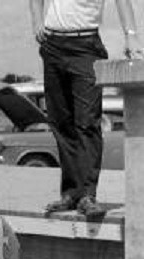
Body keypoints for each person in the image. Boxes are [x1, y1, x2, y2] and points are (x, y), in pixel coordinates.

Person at [30, 0, 144, 217]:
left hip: (85, 46)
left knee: (87, 122)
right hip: (52, 45)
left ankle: (87, 195)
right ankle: (71, 194)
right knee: (61, 122)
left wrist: (130, 34)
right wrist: (36, 21)